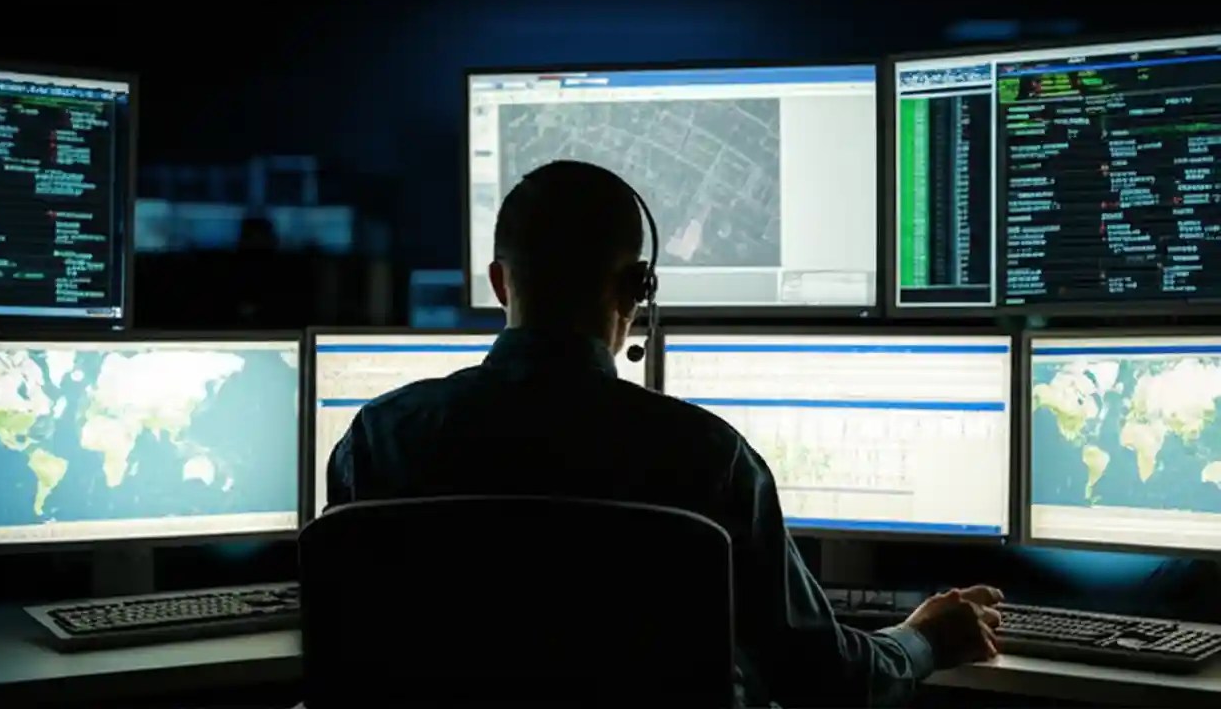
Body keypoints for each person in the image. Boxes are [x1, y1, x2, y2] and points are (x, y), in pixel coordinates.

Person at [326, 160, 1003, 707]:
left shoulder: (379, 438)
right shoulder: (707, 458)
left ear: (500, 283)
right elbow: (819, 678)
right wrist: (922, 642)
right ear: (637, 289)